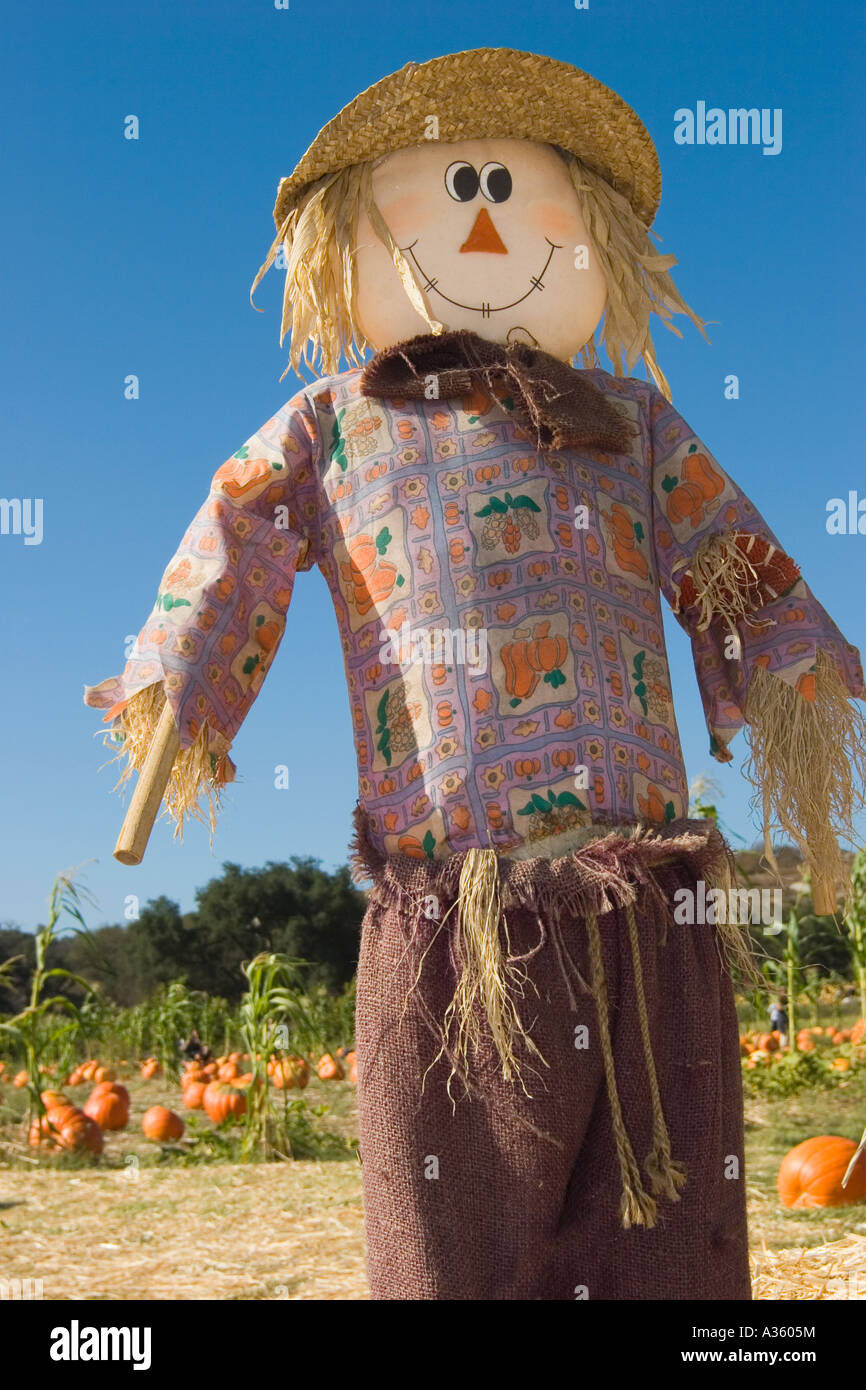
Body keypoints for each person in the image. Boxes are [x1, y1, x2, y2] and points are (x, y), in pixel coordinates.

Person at [85, 49, 866, 1299]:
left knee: (666, 1243)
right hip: (452, 919)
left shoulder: (633, 422)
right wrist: (178, 684)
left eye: (514, 188)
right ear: (343, 244)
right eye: (451, 189)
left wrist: (795, 673)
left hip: (643, 909)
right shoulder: (331, 424)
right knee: (447, 1244)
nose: (488, 221)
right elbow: (232, 544)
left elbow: (730, 556)